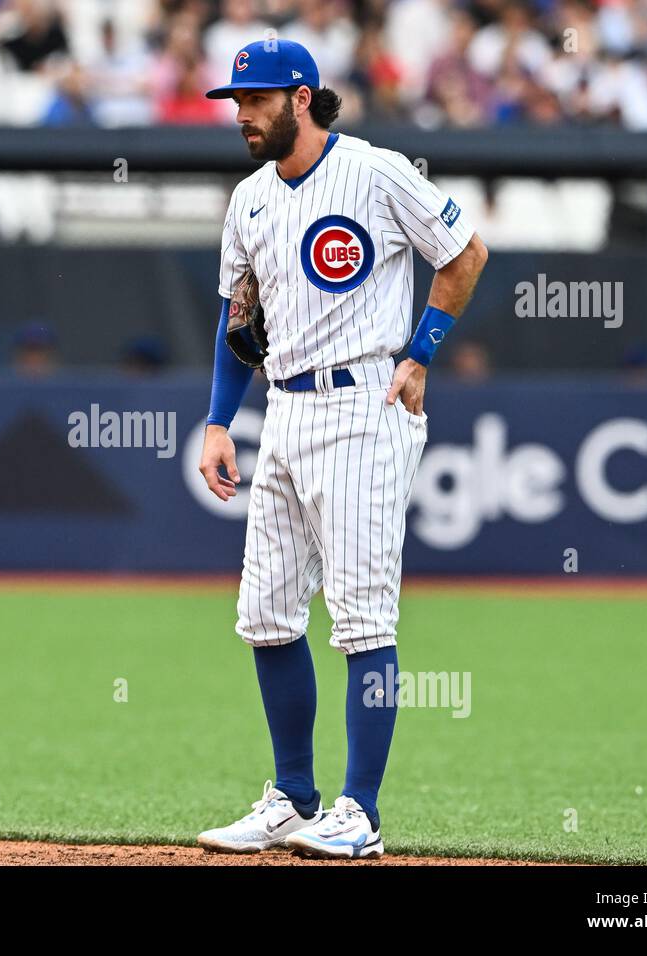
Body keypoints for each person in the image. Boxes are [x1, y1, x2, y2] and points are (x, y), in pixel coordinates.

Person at [194, 40, 488, 859]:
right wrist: (220, 421)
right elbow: (238, 318)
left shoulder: (375, 170)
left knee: (361, 618)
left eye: (255, 99)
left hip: (365, 403)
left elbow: (467, 253)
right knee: (266, 616)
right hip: (284, 409)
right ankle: (292, 796)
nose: (242, 114)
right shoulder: (249, 199)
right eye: (235, 101)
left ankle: (359, 811)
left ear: (301, 97)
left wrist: (423, 349)